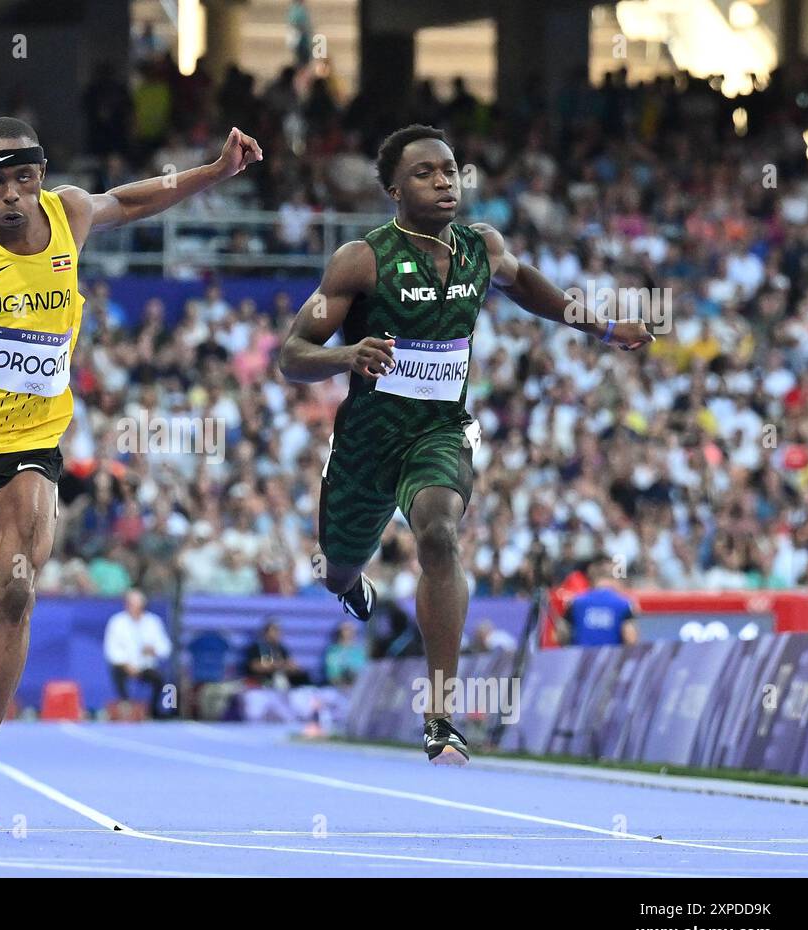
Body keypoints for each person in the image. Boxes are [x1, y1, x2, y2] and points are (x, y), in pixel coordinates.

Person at [0, 116, 262, 828]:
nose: (11, 196)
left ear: (40, 177)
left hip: (28, 444)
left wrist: (213, 172)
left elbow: (134, 199)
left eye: (23, 179)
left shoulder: (68, 214)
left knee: (15, 591)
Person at [278, 123, 654, 765]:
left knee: (439, 533)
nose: (443, 180)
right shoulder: (361, 259)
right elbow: (292, 355)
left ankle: (441, 716)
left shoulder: (482, 248)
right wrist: (347, 355)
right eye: (425, 172)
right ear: (395, 188)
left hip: (439, 430)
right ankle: (347, 582)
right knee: (338, 563)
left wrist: (601, 327)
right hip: (368, 441)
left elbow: (530, 286)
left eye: (450, 169)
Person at [102, 589, 172, 718]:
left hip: (146, 666)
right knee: (116, 672)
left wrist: (154, 650)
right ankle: (126, 705)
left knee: (161, 678)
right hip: (124, 665)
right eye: (130, 604)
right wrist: (125, 664)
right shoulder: (117, 622)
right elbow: (111, 649)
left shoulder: (153, 622)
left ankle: (153, 711)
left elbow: (166, 648)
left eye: (136, 605)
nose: (132, 608)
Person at [557, 555, 639, 647]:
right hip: (610, 659)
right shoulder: (624, 604)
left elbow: (561, 635)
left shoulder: (576, 602)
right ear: (614, 578)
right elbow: (630, 639)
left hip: (581, 659)